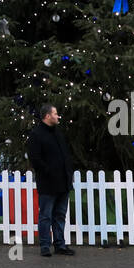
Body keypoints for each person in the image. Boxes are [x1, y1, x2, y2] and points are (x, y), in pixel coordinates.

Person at [28, 104, 76, 258]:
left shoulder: (58, 133)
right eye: (55, 113)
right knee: (46, 216)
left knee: (60, 215)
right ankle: (45, 246)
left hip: (63, 182)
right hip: (48, 183)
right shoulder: (36, 135)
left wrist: (68, 171)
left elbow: (65, 155)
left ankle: (60, 244)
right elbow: (35, 159)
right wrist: (49, 171)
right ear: (47, 116)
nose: (58, 116)